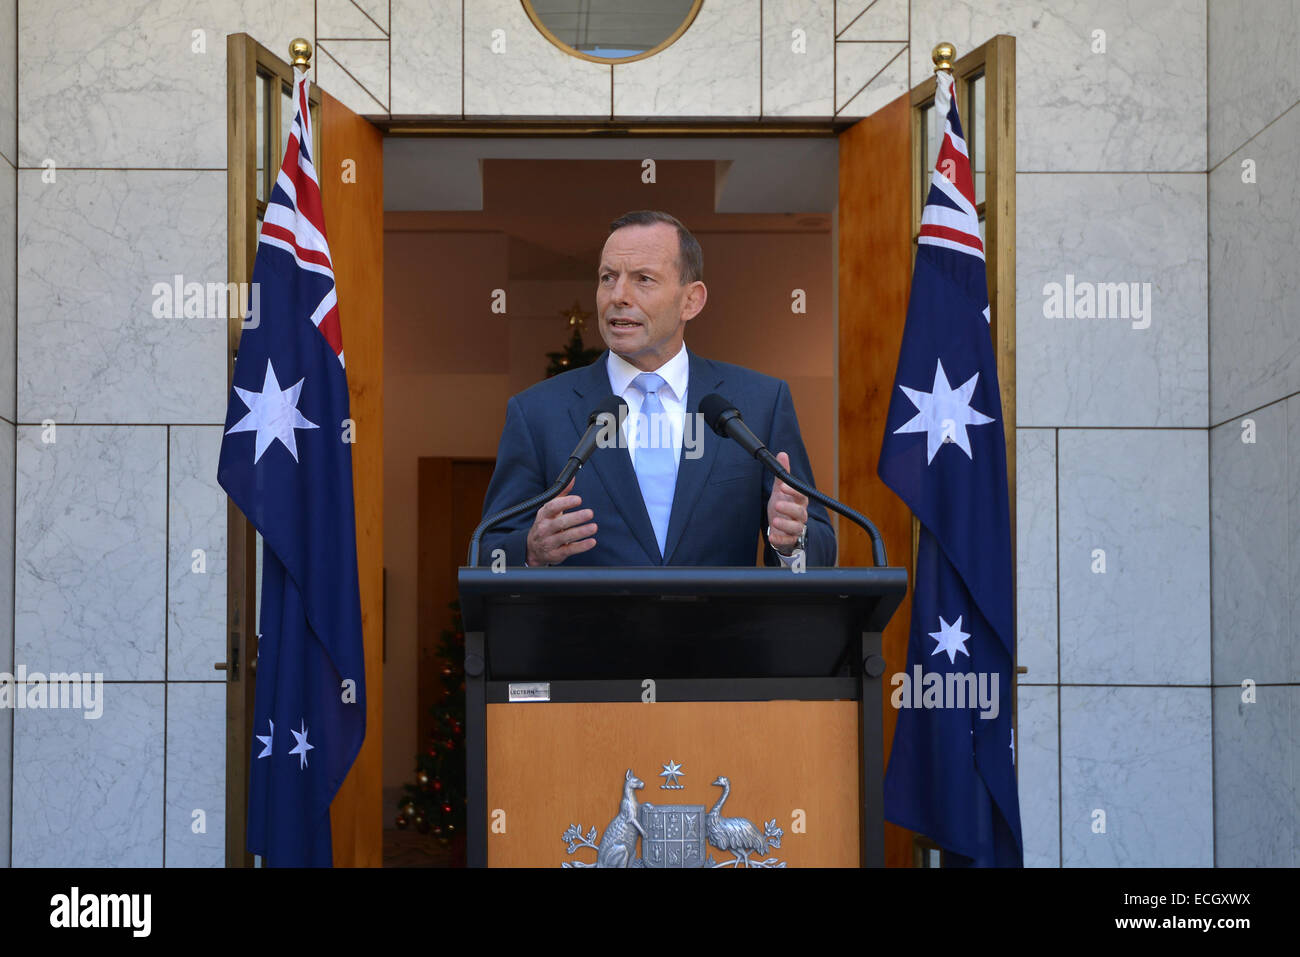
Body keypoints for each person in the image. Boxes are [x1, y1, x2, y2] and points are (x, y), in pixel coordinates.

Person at [478, 210, 835, 568]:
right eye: (607, 278)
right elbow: (487, 551)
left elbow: (820, 549)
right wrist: (529, 549)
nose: (618, 295)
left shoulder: (759, 404)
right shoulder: (538, 412)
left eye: (643, 279)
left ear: (691, 301)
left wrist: (793, 540)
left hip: (720, 625)